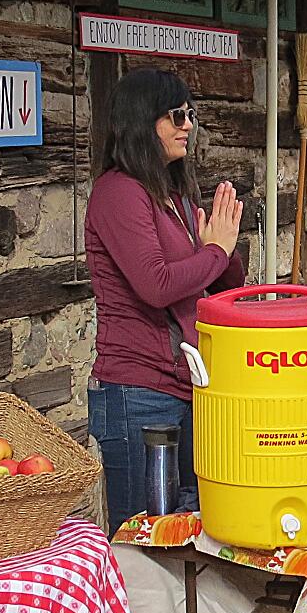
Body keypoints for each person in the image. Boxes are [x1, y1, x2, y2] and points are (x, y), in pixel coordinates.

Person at [84, 68, 245, 529]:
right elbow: (155, 285)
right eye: (176, 115)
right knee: (143, 536)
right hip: (138, 392)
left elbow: (223, 286)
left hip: (187, 387)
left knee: (190, 531)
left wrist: (223, 247)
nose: (187, 125)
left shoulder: (172, 196)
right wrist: (214, 251)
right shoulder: (118, 193)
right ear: (142, 120)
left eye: (190, 114)